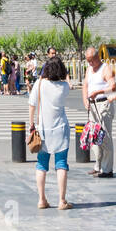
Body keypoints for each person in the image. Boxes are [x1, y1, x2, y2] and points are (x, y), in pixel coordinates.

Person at [28, 55, 72, 209]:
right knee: (61, 164)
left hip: (43, 130)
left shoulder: (39, 84)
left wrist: (32, 124)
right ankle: (62, 200)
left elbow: (32, 105)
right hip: (60, 129)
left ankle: (41, 200)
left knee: (41, 165)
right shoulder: (64, 87)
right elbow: (67, 82)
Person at [81, 47, 116, 178]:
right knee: (94, 136)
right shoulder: (89, 69)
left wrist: (98, 92)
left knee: (105, 136)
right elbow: (85, 85)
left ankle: (107, 169)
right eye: (88, 61)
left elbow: (113, 86)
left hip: (103, 104)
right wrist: (85, 99)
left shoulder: (105, 68)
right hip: (92, 105)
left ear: (97, 58)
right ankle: (98, 165)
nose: (90, 63)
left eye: (91, 61)